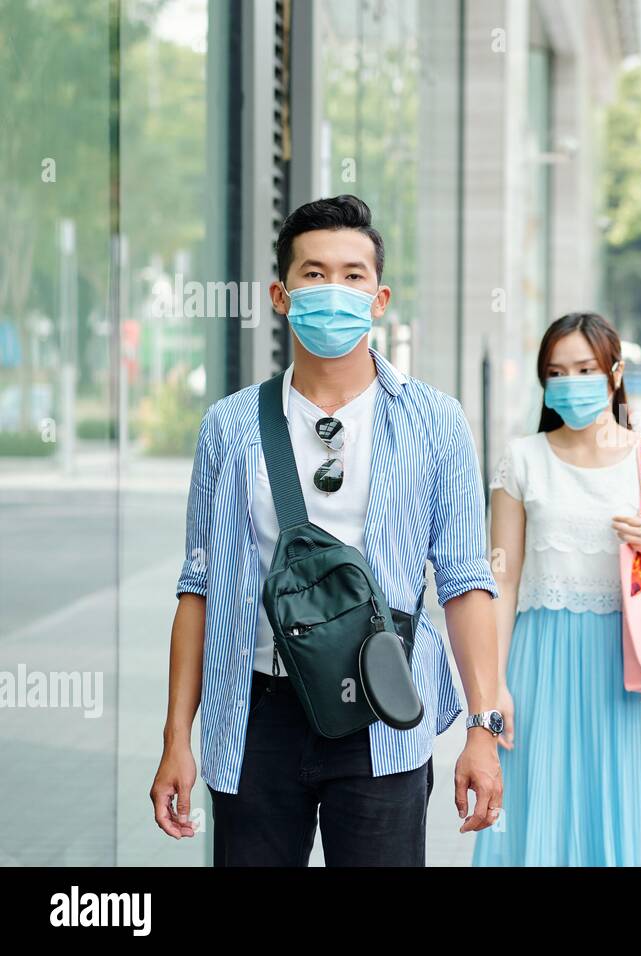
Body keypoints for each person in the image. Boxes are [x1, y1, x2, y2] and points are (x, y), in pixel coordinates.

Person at [149, 194, 505, 865]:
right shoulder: (229, 428)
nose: (332, 290)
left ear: (380, 297)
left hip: (383, 709)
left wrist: (482, 729)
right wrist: (177, 738)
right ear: (280, 295)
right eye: (313, 274)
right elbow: (196, 588)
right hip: (256, 714)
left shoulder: (435, 422)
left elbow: (465, 582)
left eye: (352, 274)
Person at [472, 312, 641, 866]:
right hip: (542, 664)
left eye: (585, 368)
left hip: (636, 666)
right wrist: (494, 689)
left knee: (639, 816)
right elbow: (503, 581)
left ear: (615, 372)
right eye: (558, 372)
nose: (572, 382)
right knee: (546, 816)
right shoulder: (523, 461)